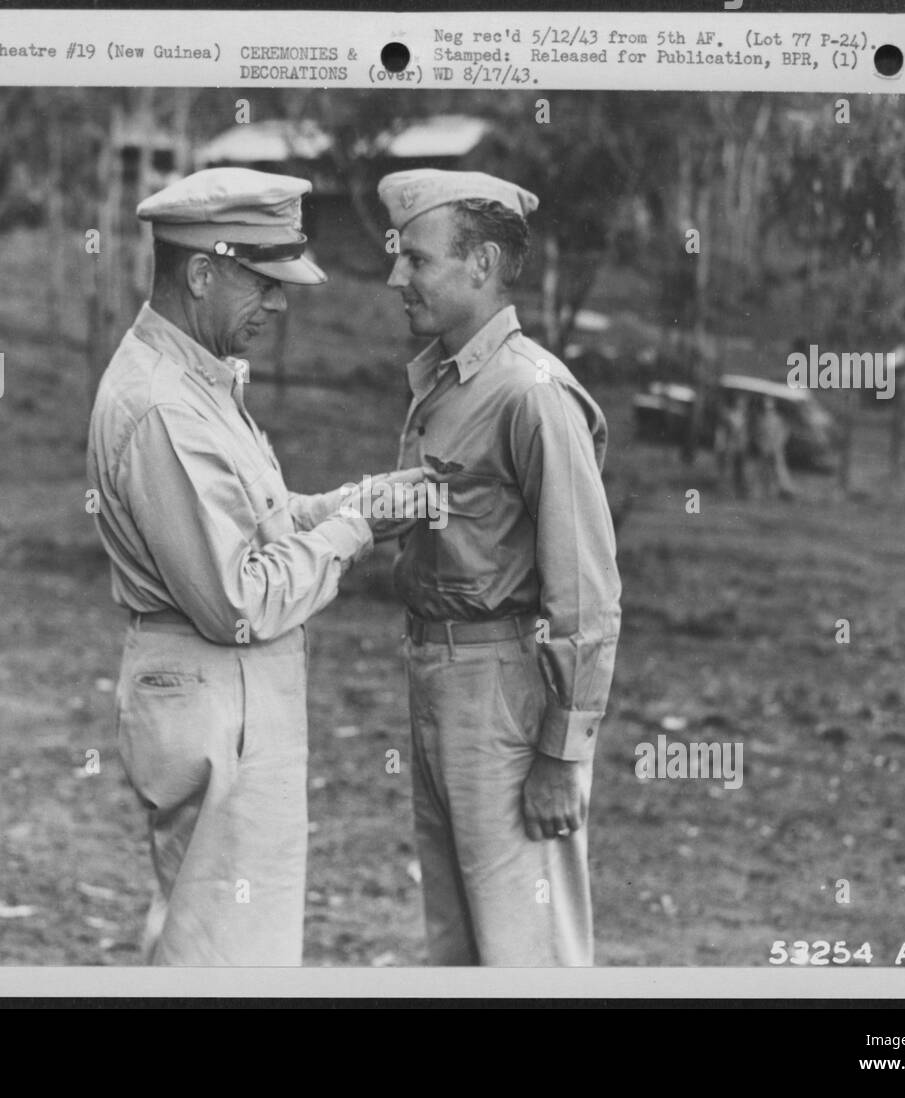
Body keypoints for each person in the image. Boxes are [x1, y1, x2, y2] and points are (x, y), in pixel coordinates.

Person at [87, 167, 421, 964]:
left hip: (227, 695)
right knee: (223, 954)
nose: (280, 304)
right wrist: (356, 529)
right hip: (217, 688)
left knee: (227, 937)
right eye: (264, 283)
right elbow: (239, 598)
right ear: (202, 272)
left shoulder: (197, 381)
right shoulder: (167, 406)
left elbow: (255, 524)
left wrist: (350, 501)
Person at [378, 169, 622, 966]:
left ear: (480, 265)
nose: (396, 277)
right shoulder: (445, 386)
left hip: (504, 695)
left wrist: (561, 752)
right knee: (458, 950)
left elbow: (585, 592)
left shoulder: (530, 394)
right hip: (438, 676)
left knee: (529, 952)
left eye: (417, 259)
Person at [751, 395, 795, 499]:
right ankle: (763, 493)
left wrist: (778, 444)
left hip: (776, 449)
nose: (767, 407)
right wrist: (760, 444)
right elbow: (756, 433)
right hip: (764, 449)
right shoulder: (760, 418)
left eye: (770, 404)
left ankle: (785, 492)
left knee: (779, 471)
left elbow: (785, 432)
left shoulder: (779, 418)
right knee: (762, 472)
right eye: (765, 404)